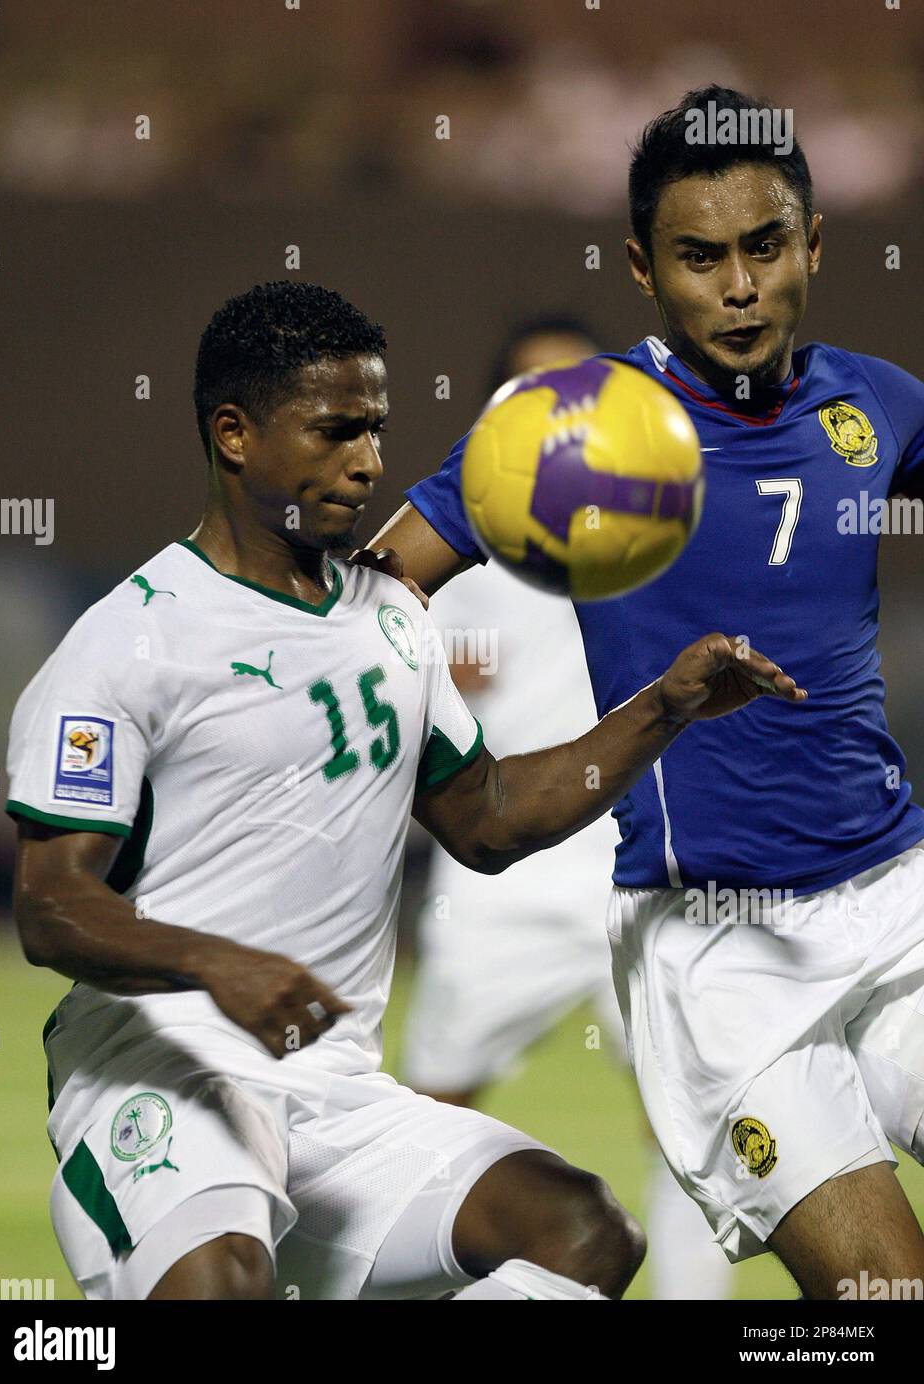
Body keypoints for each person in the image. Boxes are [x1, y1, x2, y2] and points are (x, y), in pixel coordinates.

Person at [5, 279, 801, 1301]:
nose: (369, 463)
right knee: (217, 1283)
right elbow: (49, 904)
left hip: (333, 1093)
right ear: (235, 433)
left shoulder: (390, 618)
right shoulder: (131, 639)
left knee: (582, 1232)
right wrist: (218, 965)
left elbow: (489, 818)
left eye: (377, 430)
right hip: (162, 1067)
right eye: (335, 432)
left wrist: (663, 709)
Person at [366, 85, 924, 1299]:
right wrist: (451, 778)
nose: (738, 287)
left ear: (813, 247)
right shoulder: (576, 427)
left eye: (765, 249)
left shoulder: (876, 403)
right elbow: (371, 595)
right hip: (717, 950)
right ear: (640, 266)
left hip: (901, 906)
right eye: (699, 256)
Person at [400, 316, 734, 1299]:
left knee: (691, 1129)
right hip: (499, 883)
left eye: (579, 389)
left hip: (648, 874)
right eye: (530, 392)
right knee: (424, 1125)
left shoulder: (673, 520)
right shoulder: (453, 542)